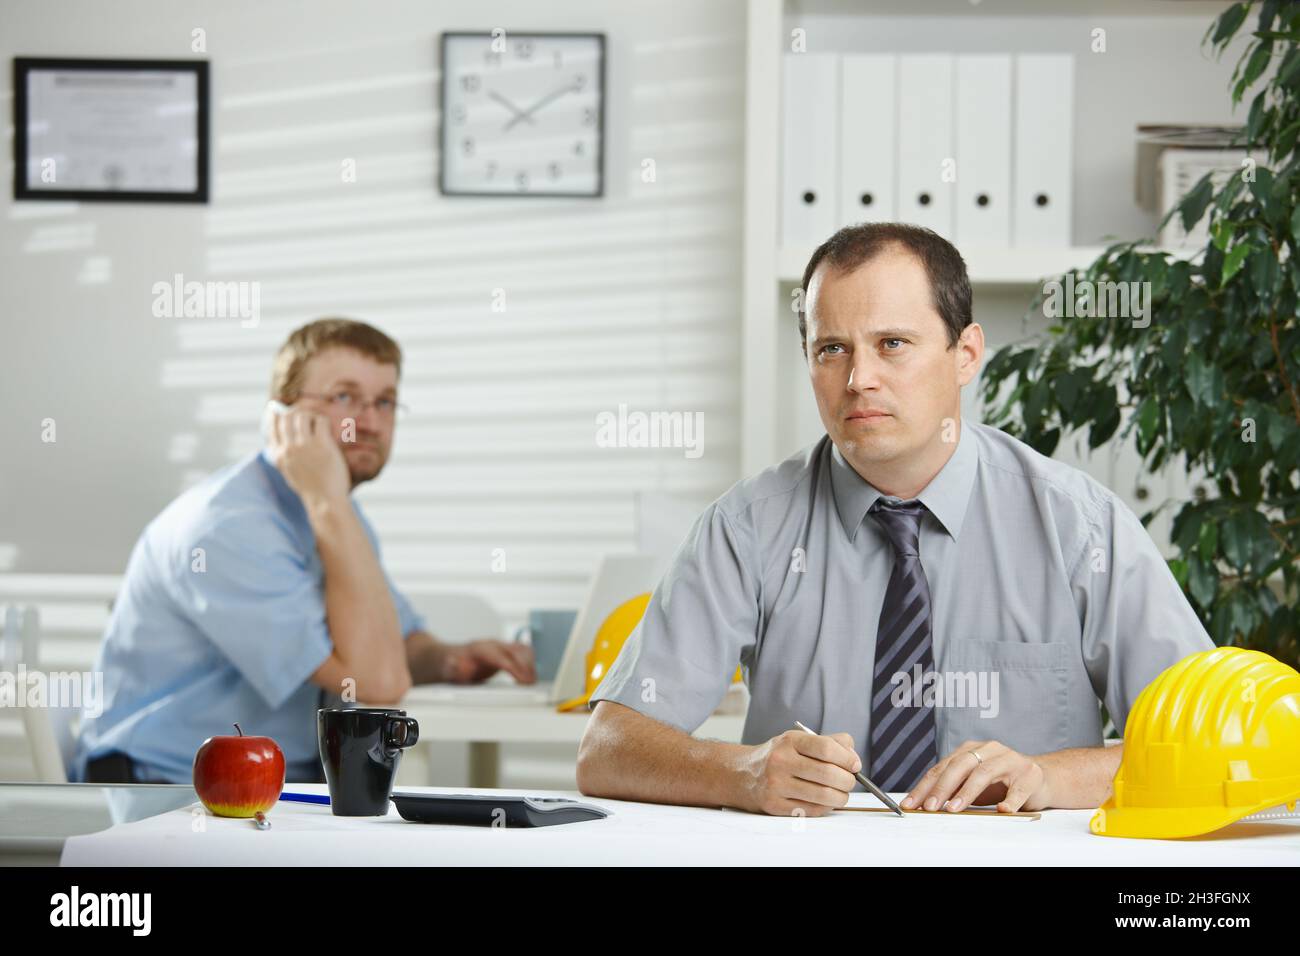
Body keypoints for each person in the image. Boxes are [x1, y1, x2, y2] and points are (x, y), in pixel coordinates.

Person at [576, 222, 1214, 816]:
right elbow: (607, 748)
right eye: (831, 349)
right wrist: (742, 772)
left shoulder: (1082, 527)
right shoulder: (747, 528)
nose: (859, 379)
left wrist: (1050, 778)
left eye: (892, 344)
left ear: (965, 354)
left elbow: (1209, 748)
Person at [74, 318, 535, 784]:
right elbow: (379, 684)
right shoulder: (228, 530)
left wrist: (452, 659)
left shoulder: (329, 516)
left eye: (385, 402)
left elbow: (392, 644)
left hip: (273, 786)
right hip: (163, 787)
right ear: (283, 415)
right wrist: (329, 501)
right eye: (344, 397)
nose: (371, 422)